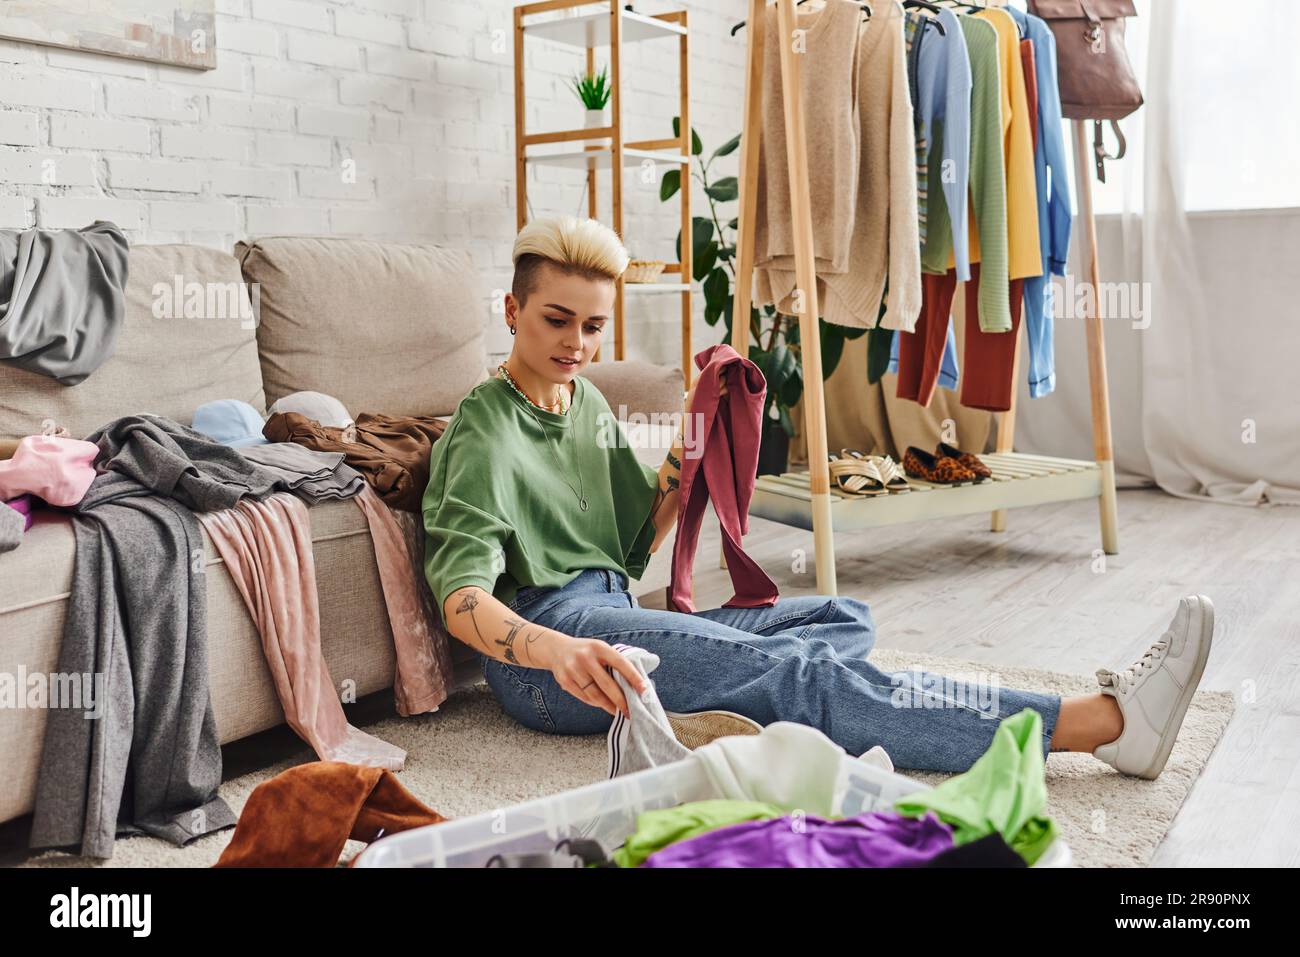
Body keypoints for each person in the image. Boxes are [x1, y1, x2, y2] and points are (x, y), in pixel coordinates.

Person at [421, 215, 1213, 778]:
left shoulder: (584, 400)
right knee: (805, 675)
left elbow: (634, 542)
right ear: (512, 310)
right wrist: (554, 650)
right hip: (548, 658)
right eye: (557, 321)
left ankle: (726, 701)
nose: (576, 345)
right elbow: (459, 597)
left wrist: (691, 448)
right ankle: (1095, 725)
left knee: (839, 617)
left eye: (593, 327)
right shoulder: (483, 429)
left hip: (615, 611)